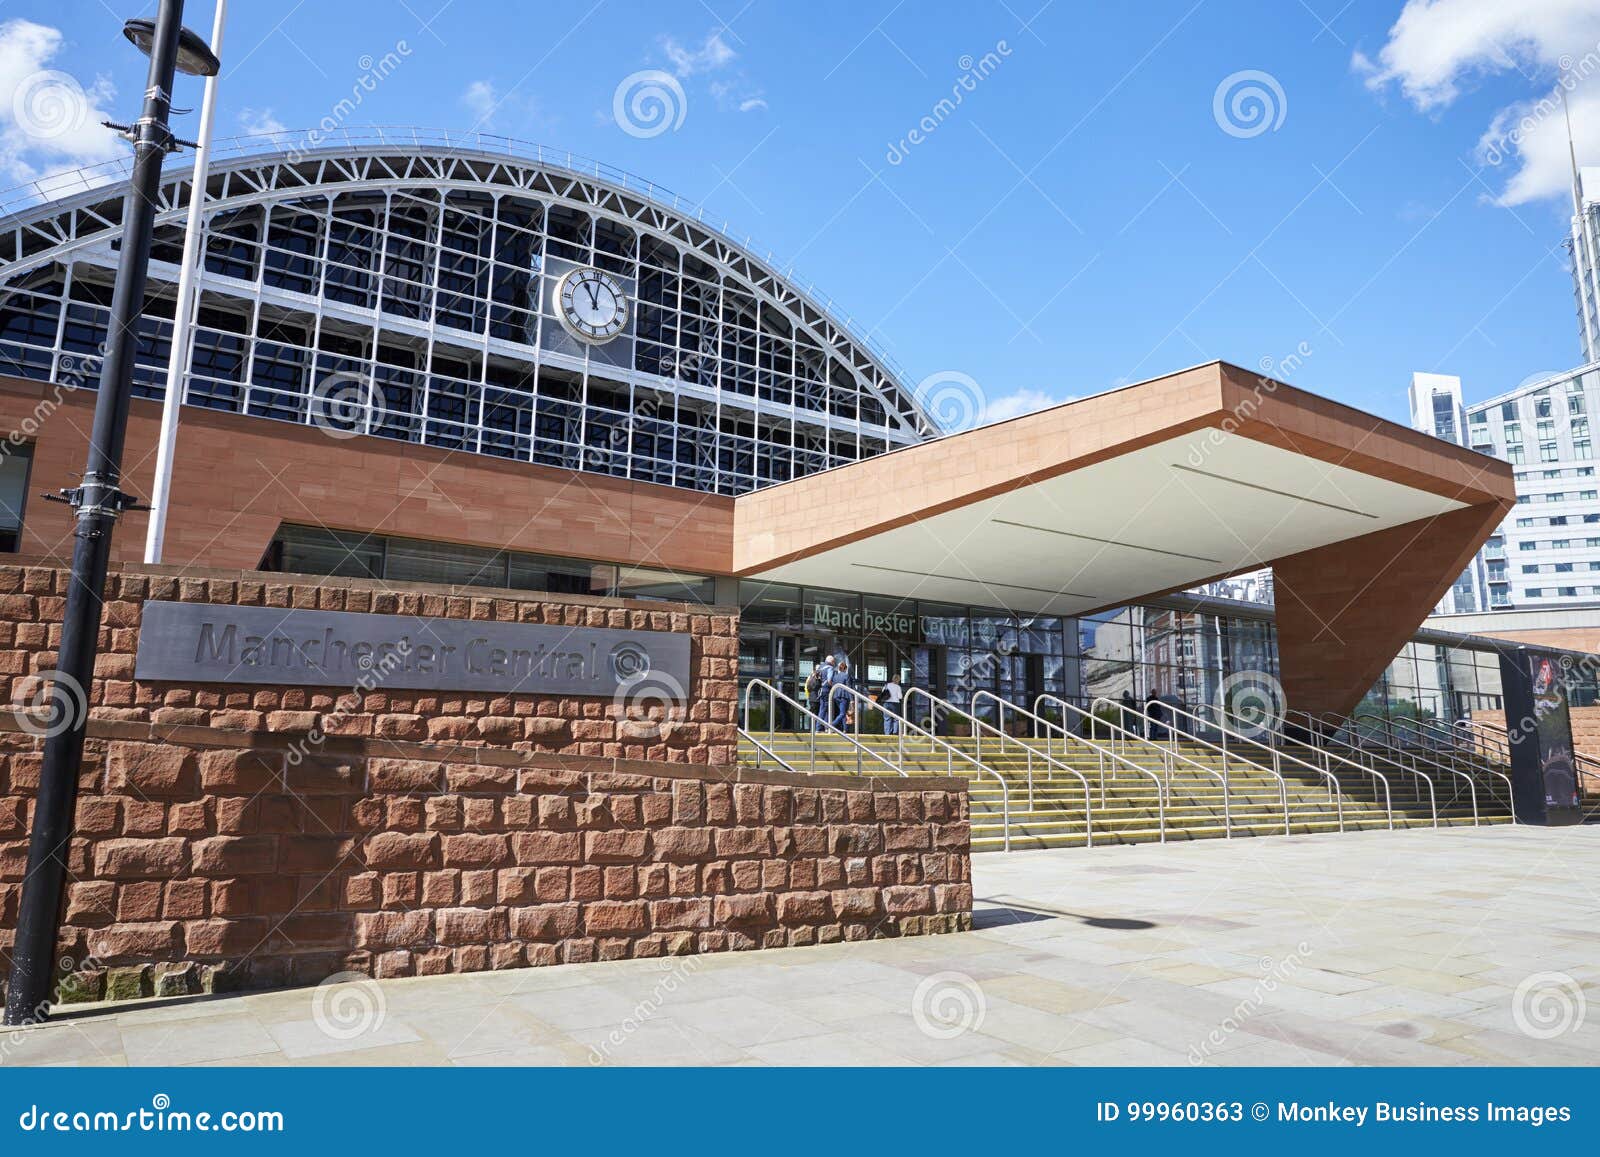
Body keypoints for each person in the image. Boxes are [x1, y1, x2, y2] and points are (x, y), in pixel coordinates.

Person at [808, 654, 835, 732]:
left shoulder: (821, 667)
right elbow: (829, 680)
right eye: (833, 661)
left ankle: (826, 727)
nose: (834, 663)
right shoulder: (830, 668)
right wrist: (834, 686)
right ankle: (818, 728)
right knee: (823, 709)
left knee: (824, 708)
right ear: (831, 661)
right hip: (826, 690)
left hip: (821, 690)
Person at [830, 655, 853, 731]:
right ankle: (831, 725)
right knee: (843, 713)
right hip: (844, 696)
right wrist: (851, 699)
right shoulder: (846, 676)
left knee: (843, 713)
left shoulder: (835, 676)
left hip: (836, 696)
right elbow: (849, 688)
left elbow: (833, 686)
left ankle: (845, 729)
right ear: (845, 669)